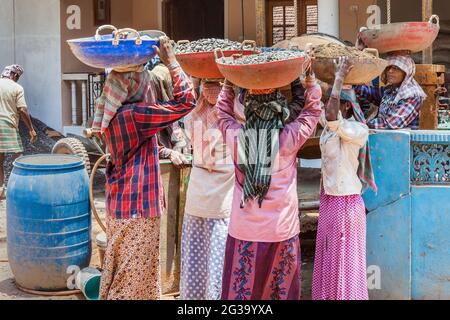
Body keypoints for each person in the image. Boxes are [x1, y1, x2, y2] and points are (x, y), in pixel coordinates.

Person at [97, 37, 196, 300]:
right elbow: (187, 101)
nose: (149, 85)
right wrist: (172, 62)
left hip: (120, 206)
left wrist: (168, 151)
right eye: (144, 81)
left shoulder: (113, 117)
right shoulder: (136, 115)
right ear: (133, 87)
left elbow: (144, 149)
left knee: (123, 274)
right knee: (130, 284)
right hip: (139, 207)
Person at [216, 71, 322, 300]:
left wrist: (227, 84)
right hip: (281, 230)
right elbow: (312, 111)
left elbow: (222, 113)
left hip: (244, 229)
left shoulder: (236, 137)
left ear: (249, 110)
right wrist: (310, 83)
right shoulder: (290, 137)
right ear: (279, 110)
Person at [312, 57, 377, 300]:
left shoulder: (357, 130)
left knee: (344, 262)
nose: (329, 105)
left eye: (335, 101)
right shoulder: (330, 128)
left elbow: (330, 113)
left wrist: (339, 77)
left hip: (346, 204)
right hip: (330, 200)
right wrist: (308, 77)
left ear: (346, 107)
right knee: (330, 256)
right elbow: (319, 110)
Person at [180, 80, 245, 300]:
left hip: (197, 201)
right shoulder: (232, 123)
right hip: (221, 205)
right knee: (217, 264)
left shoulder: (193, 120)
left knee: (197, 261)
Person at [354, 54, 427, 130]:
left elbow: (392, 123)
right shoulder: (391, 90)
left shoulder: (411, 95)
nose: (390, 71)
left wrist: (362, 124)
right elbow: (371, 93)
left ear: (406, 72)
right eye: (388, 67)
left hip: (401, 140)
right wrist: (353, 85)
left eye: (396, 68)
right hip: (386, 137)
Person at [0, 65, 37, 199]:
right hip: (7, 124)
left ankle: (0, 190)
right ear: (14, 75)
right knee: (18, 156)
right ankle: (20, 189)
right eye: (18, 77)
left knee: (0, 159)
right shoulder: (16, 88)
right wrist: (31, 130)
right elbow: (22, 110)